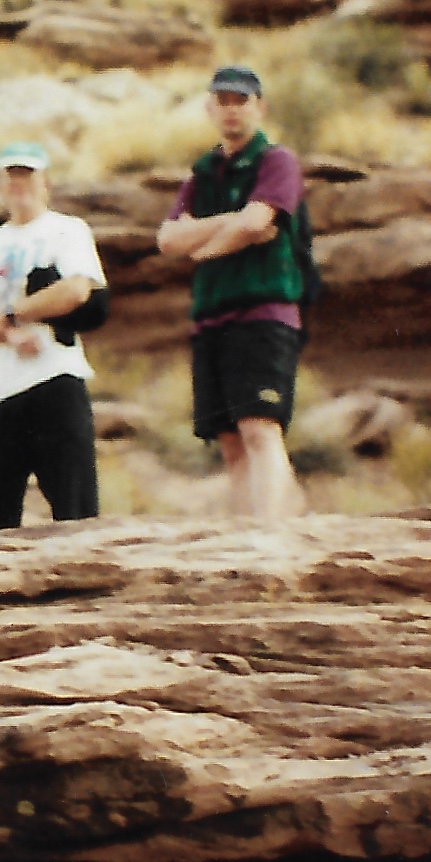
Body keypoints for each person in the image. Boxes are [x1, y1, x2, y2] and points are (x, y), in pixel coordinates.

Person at [155, 62, 307, 522]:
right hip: (211, 318)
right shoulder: (203, 173)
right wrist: (229, 224)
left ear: (260, 108)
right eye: (222, 101)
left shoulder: (275, 161)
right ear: (209, 108)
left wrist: (203, 244)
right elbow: (168, 240)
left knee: (260, 428)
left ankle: (271, 532)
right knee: (230, 441)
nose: (231, 109)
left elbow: (259, 222)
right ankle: (246, 535)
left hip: (261, 313)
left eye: (241, 101)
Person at [0, 142, 106, 532]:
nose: (19, 184)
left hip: (54, 380)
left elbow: (75, 290)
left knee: (75, 514)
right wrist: (3, 332)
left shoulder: (66, 230)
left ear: (45, 181)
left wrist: (11, 314)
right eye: (11, 176)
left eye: (27, 175)